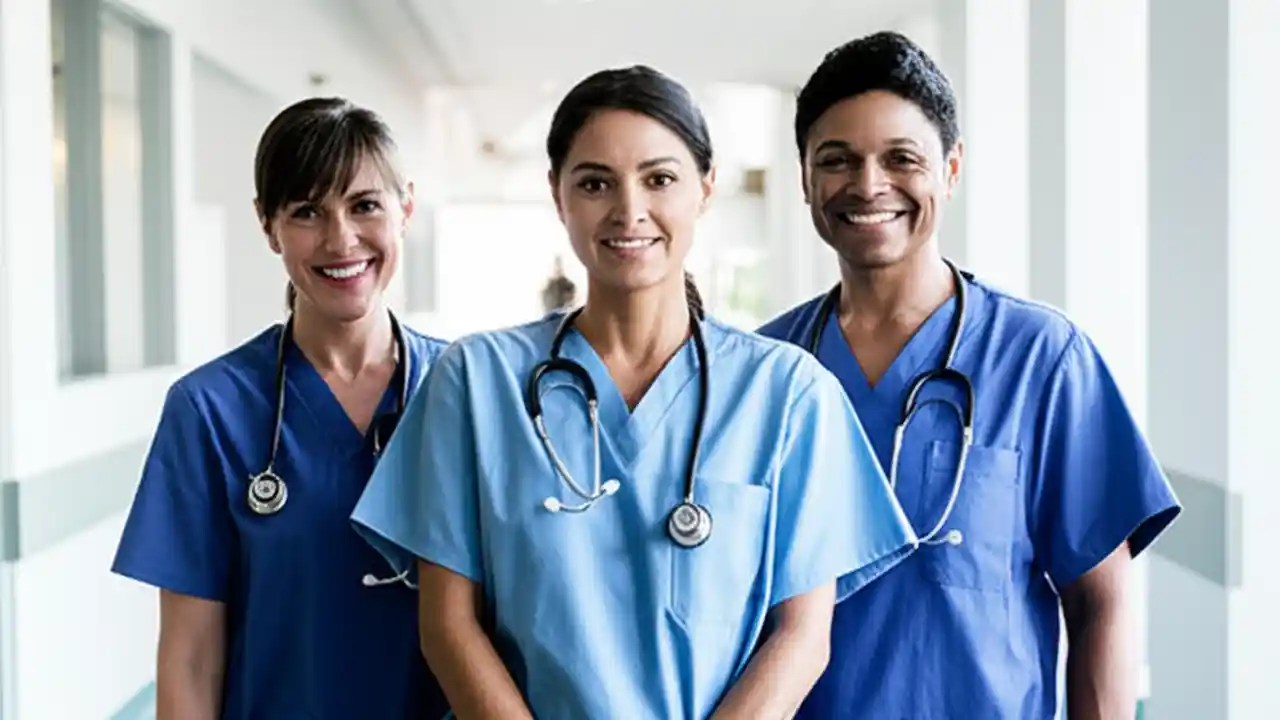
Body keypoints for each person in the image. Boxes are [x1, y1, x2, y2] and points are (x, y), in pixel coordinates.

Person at [349, 65, 916, 719]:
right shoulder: (477, 380)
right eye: (595, 182)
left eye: (659, 178)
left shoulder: (787, 393)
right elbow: (448, 628)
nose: (628, 209)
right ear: (558, 197)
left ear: (705, 189)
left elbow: (801, 637)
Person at [757, 31, 1183, 719]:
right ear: (806, 178)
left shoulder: (1041, 357)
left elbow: (1100, 605)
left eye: (902, 159)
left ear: (951, 169)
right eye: (837, 160)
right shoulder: (765, 370)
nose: (869, 185)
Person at [111, 97, 450, 719]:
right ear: (268, 225)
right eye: (306, 211)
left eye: (365, 205)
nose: (340, 238)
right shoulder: (210, 410)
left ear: (405, 207)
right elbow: (189, 657)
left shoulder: (464, 392)